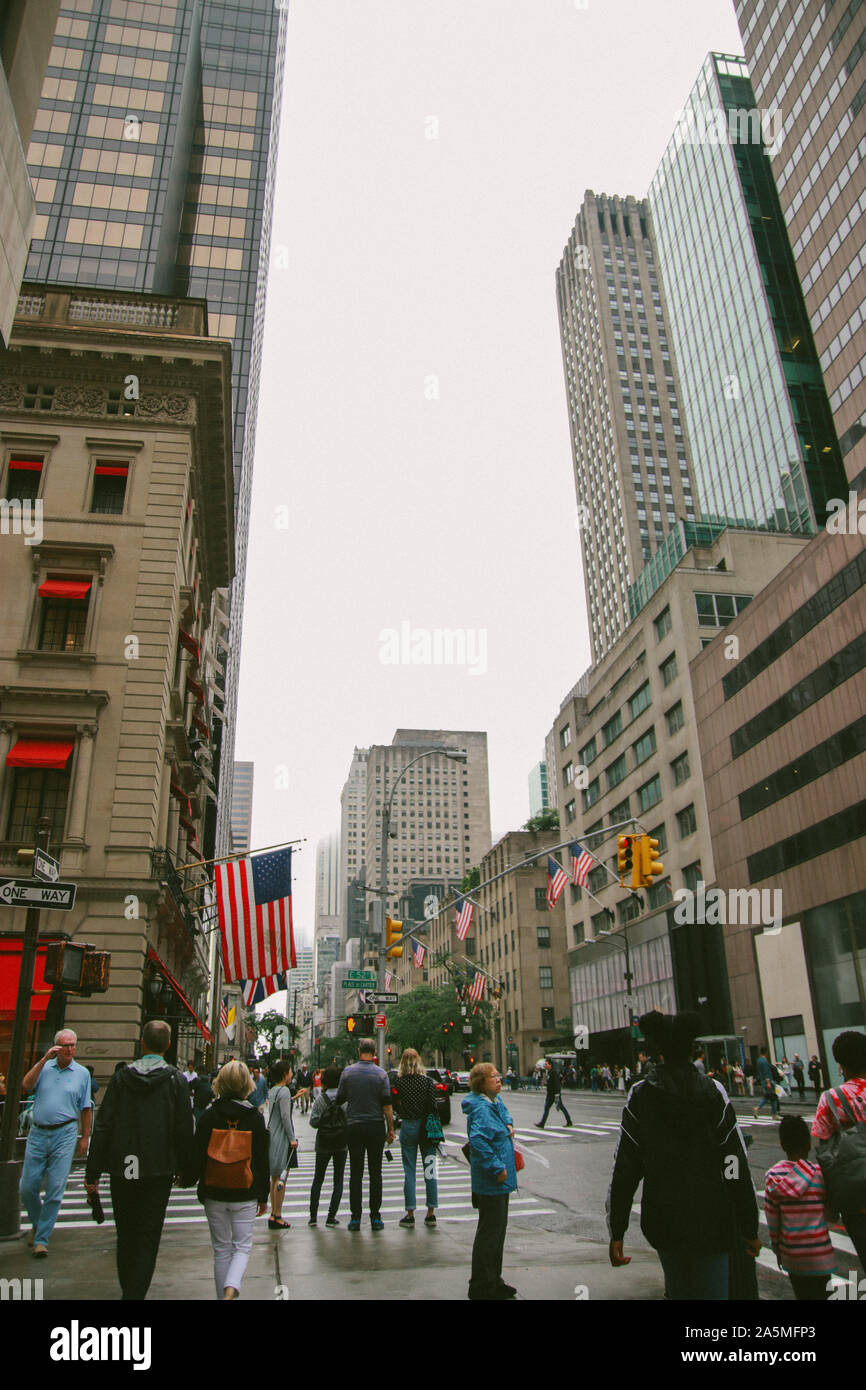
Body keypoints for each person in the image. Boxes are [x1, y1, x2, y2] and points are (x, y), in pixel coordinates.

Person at [606, 1010, 760, 1300]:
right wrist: (749, 1226)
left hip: (665, 1217)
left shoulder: (641, 1095)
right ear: (692, 1050)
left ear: (659, 1052)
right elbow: (733, 1162)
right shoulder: (713, 1092)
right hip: (712, 1217)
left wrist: (617, 1229)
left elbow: (625, 1168)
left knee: (678, 1288)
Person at [84, 1020, 195, 1299]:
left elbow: (104, 1125)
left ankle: (130, 1291)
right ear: (168, 1045)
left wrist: (92, 1171)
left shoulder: (122, 1078)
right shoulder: (176, 1081)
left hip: (124, 1167)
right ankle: (135, 1294)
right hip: (158, 1168)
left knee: (126, 1232)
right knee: (148, 1235)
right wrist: (186, 1168)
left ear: (142, 1042)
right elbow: (184, 1128)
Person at [194, 1060, 268, 1299]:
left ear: (220, 1083)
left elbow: (197, 1154)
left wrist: (190, 1179)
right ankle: (231, 1288)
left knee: (221, 1250)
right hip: (245, 1191)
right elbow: (262, 1160)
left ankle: (222, 1296)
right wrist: (263, 1195)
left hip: (214, 1190)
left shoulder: (209, 1116)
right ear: (247, 1085)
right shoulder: (254, 1118)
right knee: (242, 1247)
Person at [20, 1029, 92, 1258]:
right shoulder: (44, 1068)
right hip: (38, 1133)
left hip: (65, 1133)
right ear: (56, 1047)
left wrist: (85, 1137)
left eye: (73, 1045)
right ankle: (38, 1223)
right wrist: (43, 1059)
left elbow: (86, 1108)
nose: (70, 1049)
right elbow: (26, 1084)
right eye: (65, 1045)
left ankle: (42, 1239)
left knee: (55, 1188)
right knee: (27, 1187)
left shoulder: (82, 1073)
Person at [811, 1029, 866, 1272]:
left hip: (856, 1199)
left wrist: (829, 1204)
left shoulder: (832, 1098)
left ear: (841, 1066)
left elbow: (824, 1152)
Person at [764, 1115, 835, 1300]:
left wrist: (776, 1246)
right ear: (809, 1144)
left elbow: (772, 1219)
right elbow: (830, 1212)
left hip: (793, 1255)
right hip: (820, 1255)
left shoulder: (773, 1176)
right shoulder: (819, 1174)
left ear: (782, 1144)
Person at [463, 1063, 518, 1300]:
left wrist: (509, 1123)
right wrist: (497, 1167)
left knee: (496, 1233)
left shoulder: (493, 1102)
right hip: (492, 1181)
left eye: (498, 1075)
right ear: (481, 1083)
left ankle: (493, 1280)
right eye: (493, 1076)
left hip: (498, 1181)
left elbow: (504, 1110)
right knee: (490, 1234)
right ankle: (482, 1285)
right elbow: (478, 1140)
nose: (498, 1079)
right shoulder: (482, 1109)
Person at [336, 1037, 395, 1231]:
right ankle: (375, 1217)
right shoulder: (381, 1075)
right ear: (374, 1053)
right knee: (375, 1173)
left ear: (359, 1051)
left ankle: (355, 1218)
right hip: (375, 1126)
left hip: (354, 1126)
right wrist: (390, 1129)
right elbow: (387, 1106)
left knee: (356, 1174)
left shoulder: (347, 1073)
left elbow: (339, 1099)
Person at [393, 1048, 439, 1228]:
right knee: (430, 1170)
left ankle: (410, 1213)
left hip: (409, 1125)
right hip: (427, 1126)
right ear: (419, 1061)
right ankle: (431, 1213)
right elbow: (433, 1105)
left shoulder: (399, 1082)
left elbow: (396, 1104)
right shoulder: (427, 1081)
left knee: (409, 1170)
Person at [308, 1065, 347, 1226]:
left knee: (318, 1179)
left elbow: (313, 1122)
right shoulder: (345, 1099)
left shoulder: (320, 1099)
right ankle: (331, 1217)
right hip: (341, 1143)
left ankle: (313, 1217)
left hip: (323, 1143)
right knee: (338, 1180)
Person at [267, 1060, 297, 1229]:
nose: (292, 1074)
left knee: (274, 1177)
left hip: (272, 1135)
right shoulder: (284, 1091)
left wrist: (294, 1098)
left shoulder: (273, 1090)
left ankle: (273, 1213)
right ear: (285, 1074)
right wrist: (292, 1138)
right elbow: (286, 1117)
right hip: (282, 1137)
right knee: (281, 1179)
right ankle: (277, 1214)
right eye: (290, 1071)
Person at [536, 1058, 573, 1128]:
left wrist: (557, 1094)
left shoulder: (554, 1072)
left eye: (546, 1064)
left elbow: (556, 1084)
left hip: (554, 1094)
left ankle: (569, 1121)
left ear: (550, 1065)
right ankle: (542, 1123)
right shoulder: (549, 1072)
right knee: (546, 1108)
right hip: (550, 1094)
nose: (545, 1065)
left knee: (561, 1108)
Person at [754, 1046, 780, 1118]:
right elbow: (766, 1072)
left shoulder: (758, 1060)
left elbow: (760, 1072)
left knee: (770, 1097)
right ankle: (772, 1113)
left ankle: (774, 1113)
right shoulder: (764, 1061)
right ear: (766, 1052)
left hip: (763, 1081)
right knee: (772, 1097)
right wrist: (768, 1082)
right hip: (768, 1081)